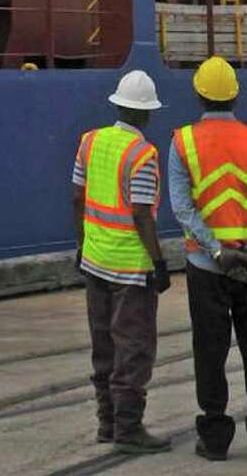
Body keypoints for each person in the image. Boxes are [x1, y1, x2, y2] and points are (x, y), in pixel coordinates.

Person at [167, 54, 247, 462]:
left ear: (199, 94)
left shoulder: (182, 141)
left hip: (208, 268)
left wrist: (218, 251)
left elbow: (183, 207)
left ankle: (215, 440)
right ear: (236, 96)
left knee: (210, 350)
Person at [72, 69, 172, 456]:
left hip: (94, 260)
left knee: (103, 344)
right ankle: (128, 428)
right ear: (146, 114)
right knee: (134, 347)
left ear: (117, 105)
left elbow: (76, 198)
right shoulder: (143, 154)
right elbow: (142, 214)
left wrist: (82, 245)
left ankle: (106, 423)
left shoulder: (89, 142)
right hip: (131, 269)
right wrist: (159, 261)